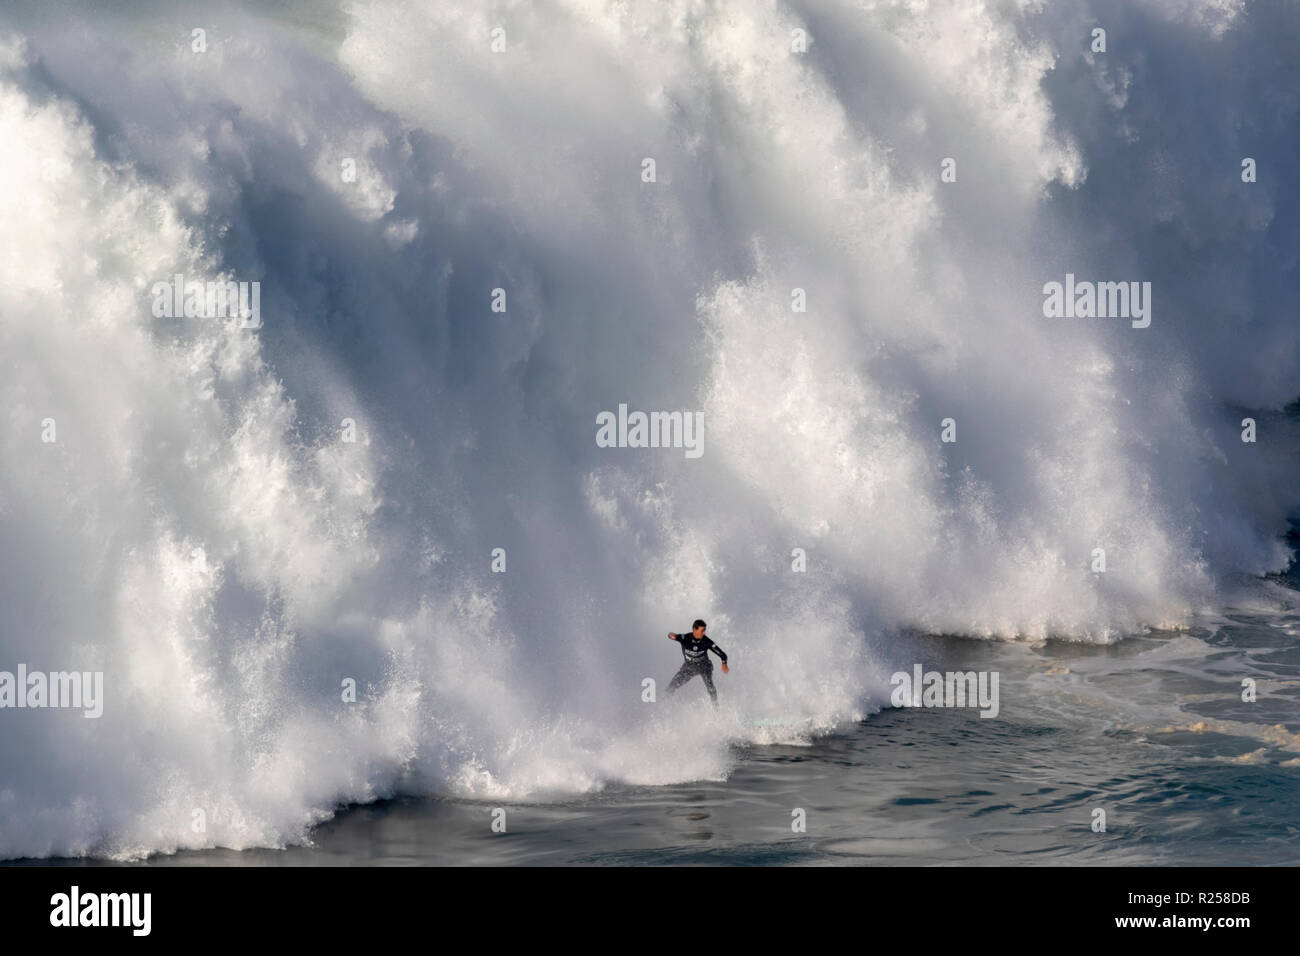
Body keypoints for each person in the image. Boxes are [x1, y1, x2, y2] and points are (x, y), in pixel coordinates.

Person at [665, 619, 729, 706]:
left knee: (710, 687)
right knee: (671, 687)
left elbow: (722, 654)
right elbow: (671, 636)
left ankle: (716, 707)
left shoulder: (706, 641)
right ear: (694, 629)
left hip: (704, 667)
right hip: (689, 668)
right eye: (702, 631)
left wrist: (724, 663)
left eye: (705, 630)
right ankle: (666, 704)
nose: (704, 633)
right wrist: (670, 635)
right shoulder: (685, 638)